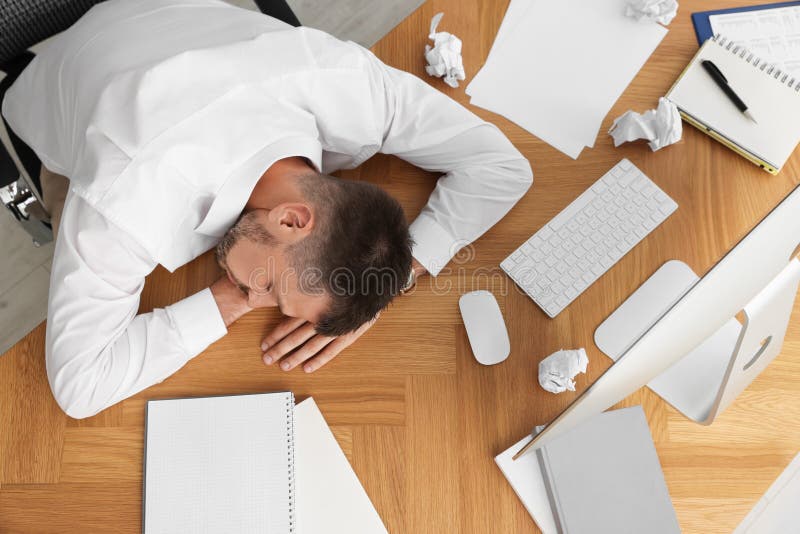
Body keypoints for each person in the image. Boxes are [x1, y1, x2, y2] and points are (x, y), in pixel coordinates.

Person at [1, 0, 532, 419]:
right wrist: (225, 302)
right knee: (64, 205)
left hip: (174, 21)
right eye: (273, 290)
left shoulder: (351, 86)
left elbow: (504, 167)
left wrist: (383, 289)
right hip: (62, 79)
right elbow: (78, 383)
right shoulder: (125, 203)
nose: (259, 301)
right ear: (292, 219)